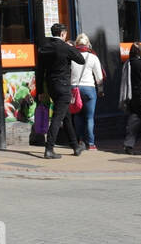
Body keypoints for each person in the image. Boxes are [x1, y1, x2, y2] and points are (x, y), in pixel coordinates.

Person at [35, 22, 86, 159]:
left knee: (66, 116)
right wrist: (72, 47)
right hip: (63, 86)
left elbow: (39, 71)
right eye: (65, 34)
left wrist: (39, 91)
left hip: (51, 86)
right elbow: (81, 60)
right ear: (63, 34)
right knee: (58, 117)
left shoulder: (44, 48)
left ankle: (75, 146)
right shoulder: (65, 47)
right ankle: (49, 148)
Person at [71, 33, 105, 150]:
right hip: (89, 89)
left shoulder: (71, 56)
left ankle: (80, 141)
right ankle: (91, 144)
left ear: (76, 43)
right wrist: (100, 90)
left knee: (78, 116)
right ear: (88, 44)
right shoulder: (93, 57)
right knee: (89, 117)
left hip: (75, 89)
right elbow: (99, 77)